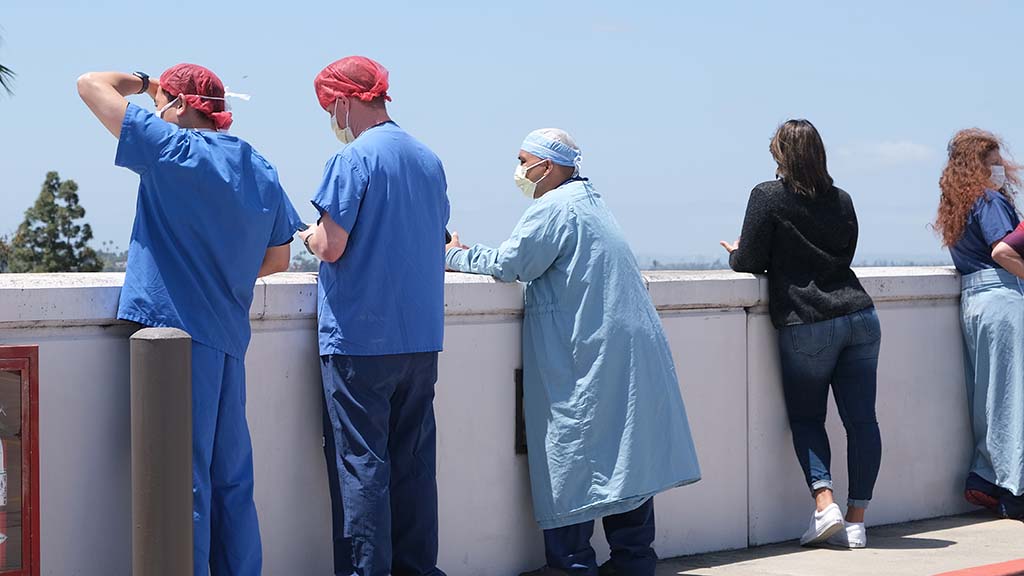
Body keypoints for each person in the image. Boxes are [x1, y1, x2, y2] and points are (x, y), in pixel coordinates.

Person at [77, 63, 303, 575]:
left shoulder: (169, 148)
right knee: (232, 481)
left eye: (164, 102)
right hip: (227, 336)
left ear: (179, 107)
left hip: (173, 339)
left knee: (184, 480)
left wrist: (144, 81)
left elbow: (90, 84)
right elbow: (279, 259)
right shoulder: (257, 165)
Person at [445, 128, 701, 576]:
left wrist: (456, 254)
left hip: (587, 355)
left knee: (570, 454)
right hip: (624, 347)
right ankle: (634, 562)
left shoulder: (553, 208)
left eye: (524, 160)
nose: (520, 171)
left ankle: (570, 565)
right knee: (627, 460)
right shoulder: (592, 203)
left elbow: (510, 264)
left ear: (549, 165)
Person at [298, 56, 450, 576]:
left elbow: (332, 245)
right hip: (420, 337)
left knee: (361, 467)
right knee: (413, 466)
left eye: (328, 106)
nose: (329, 116)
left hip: (361, 339)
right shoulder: (428, 159)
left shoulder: (353, 160)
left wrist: (308, 236)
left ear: (343, 100)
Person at [722, 119, 881, 549]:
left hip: (807, 321)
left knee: (808, 418)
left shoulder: (767, 196)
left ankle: (824, 504)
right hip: (860, 315)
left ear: (781, 156)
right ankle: (857, 521)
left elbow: (752, 258)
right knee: (862, 420)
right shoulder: (842, 200)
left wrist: (736, 254)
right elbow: (844, 254)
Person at [934, 128, 1024, 519]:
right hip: (1003, 298)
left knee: (988, 396)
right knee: (1013, 395)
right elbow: (1003, 250)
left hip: (974, 300)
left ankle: (986, 476)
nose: (1000, 167)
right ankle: (1014, 489)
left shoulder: (960, 204)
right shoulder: (989, 200)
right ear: (980, 165)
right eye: (993, 161)